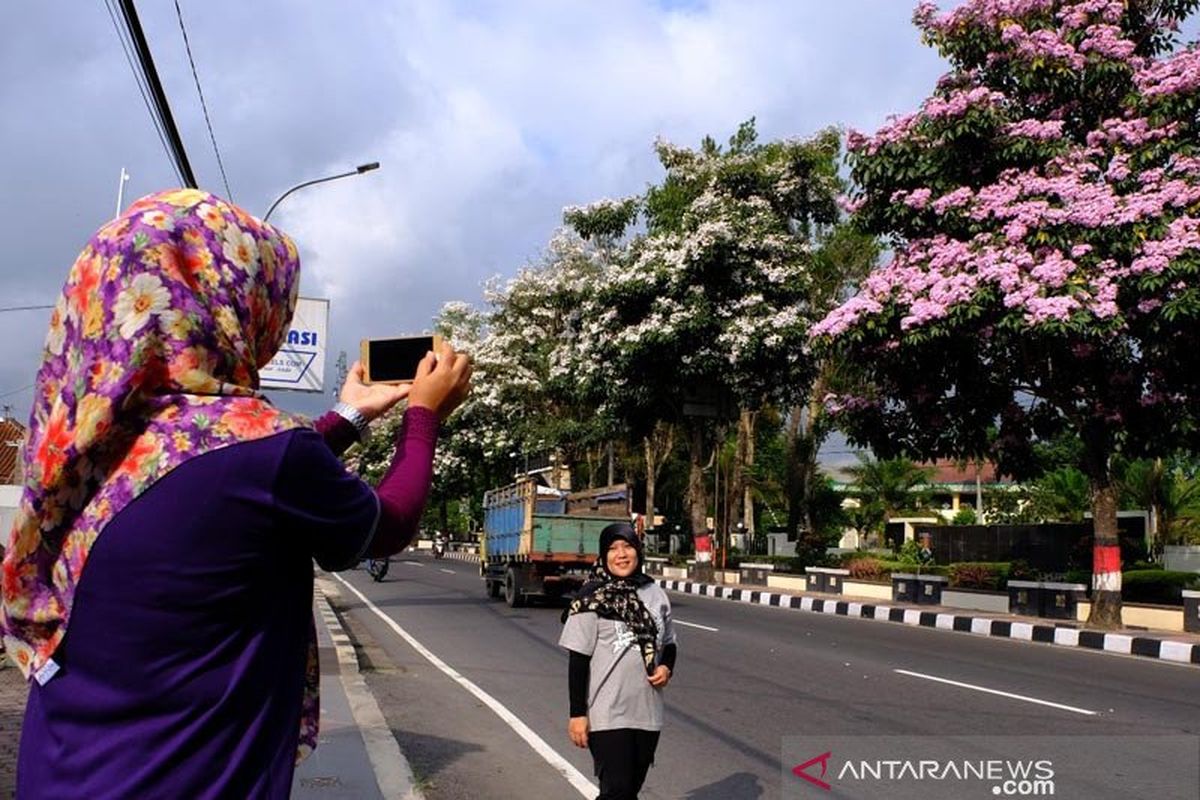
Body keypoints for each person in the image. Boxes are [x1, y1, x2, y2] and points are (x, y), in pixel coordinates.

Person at [0, 189, 472, 798]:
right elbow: (389, 522)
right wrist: (424, 414)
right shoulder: (264, 456)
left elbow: (222, 482)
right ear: (233, 304)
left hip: (59, 772)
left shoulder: (79, 444)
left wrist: (347, 417)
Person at [559, 522, 678, 800]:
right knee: (617, 791)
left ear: (638, 551)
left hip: (647, 712)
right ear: (603, 556)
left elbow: (670, 643)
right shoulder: (590, 599)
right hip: (607, 713)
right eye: (612, 549)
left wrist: (666, 667)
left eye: (627, 546)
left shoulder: (654, 594)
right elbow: (577, 662)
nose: (621, 554)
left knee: (629, 791)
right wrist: (577, 714)